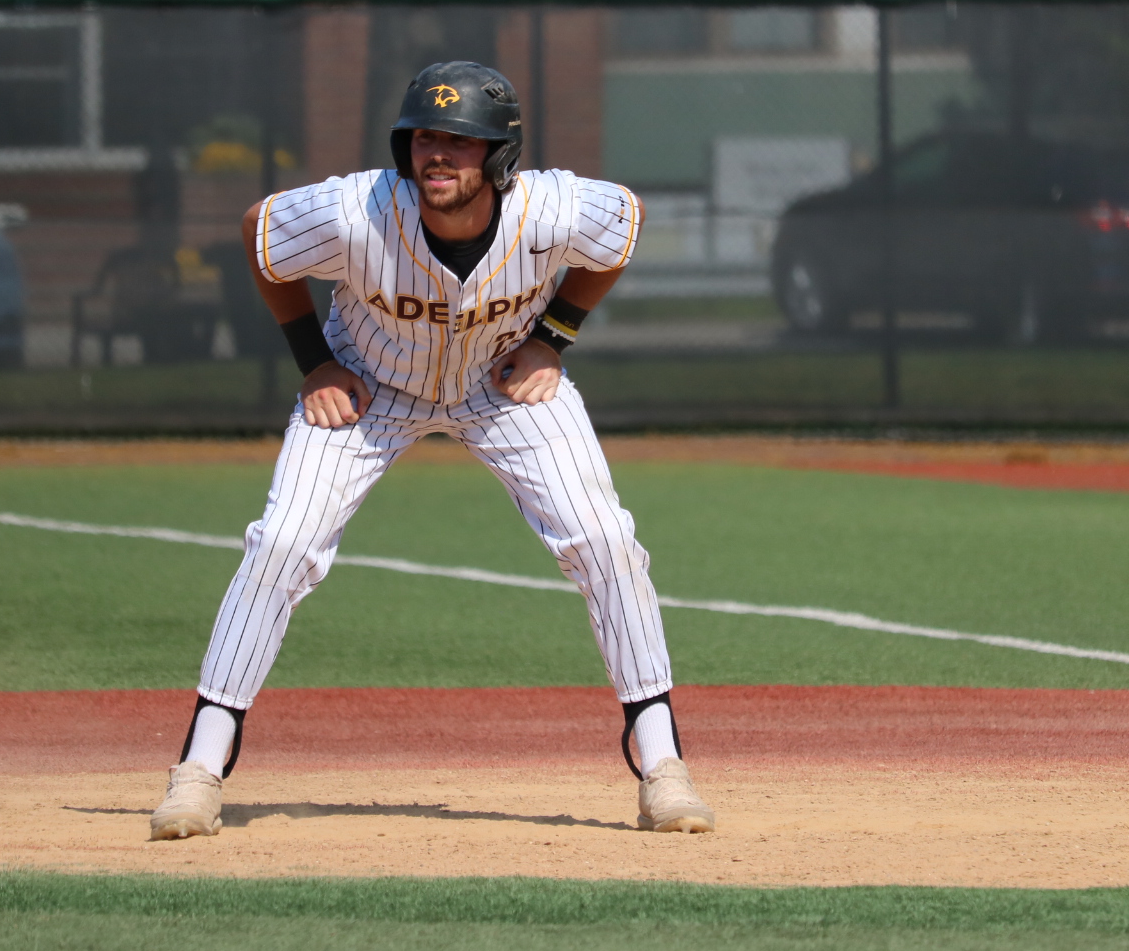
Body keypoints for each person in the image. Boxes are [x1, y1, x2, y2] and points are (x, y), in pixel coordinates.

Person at [148, 61, 715, 840]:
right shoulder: (357, 212)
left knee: (606, 540)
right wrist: (313, 358)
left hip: (503, 385)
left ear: (500, 154)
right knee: (281, 543)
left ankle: (662, 768)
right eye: (423, 137)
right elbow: (260, 230)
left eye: (460, 140)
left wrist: (554, 337)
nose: (436, 155)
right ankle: (198, 772)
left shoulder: (552, 210)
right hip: (372, 384)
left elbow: (627, 224)